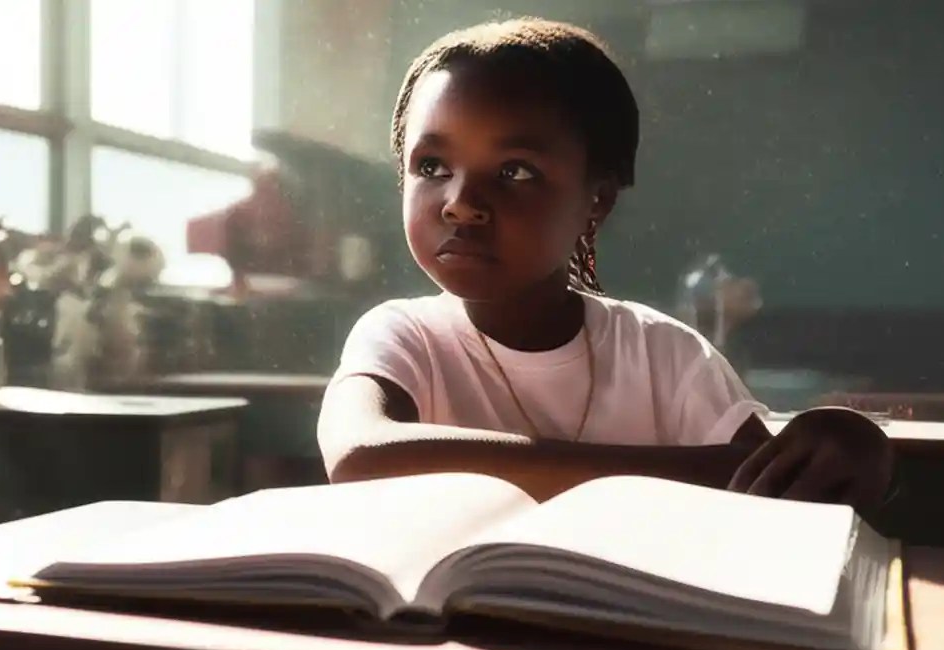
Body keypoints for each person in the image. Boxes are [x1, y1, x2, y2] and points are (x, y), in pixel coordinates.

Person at [317, 17, 891, 513]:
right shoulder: (404, 336)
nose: (461, 202)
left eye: (515, 171)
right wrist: (702, 475)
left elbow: (770, 483)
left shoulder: (664, 355)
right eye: (432, 166)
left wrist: (852, 446)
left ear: (597, 199)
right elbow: (361, 456)